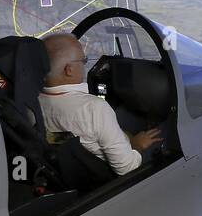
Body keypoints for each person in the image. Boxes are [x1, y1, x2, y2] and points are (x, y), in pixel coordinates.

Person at [38, 32, 162, 175]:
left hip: (69, 165)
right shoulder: (93, 108)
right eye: (83, 60)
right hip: (102, 175)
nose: (85, 64)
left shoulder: (33, 102)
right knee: (161, 136)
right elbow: (126, 168)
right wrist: (136, 145)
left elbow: (60, 137)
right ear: (69, 70)